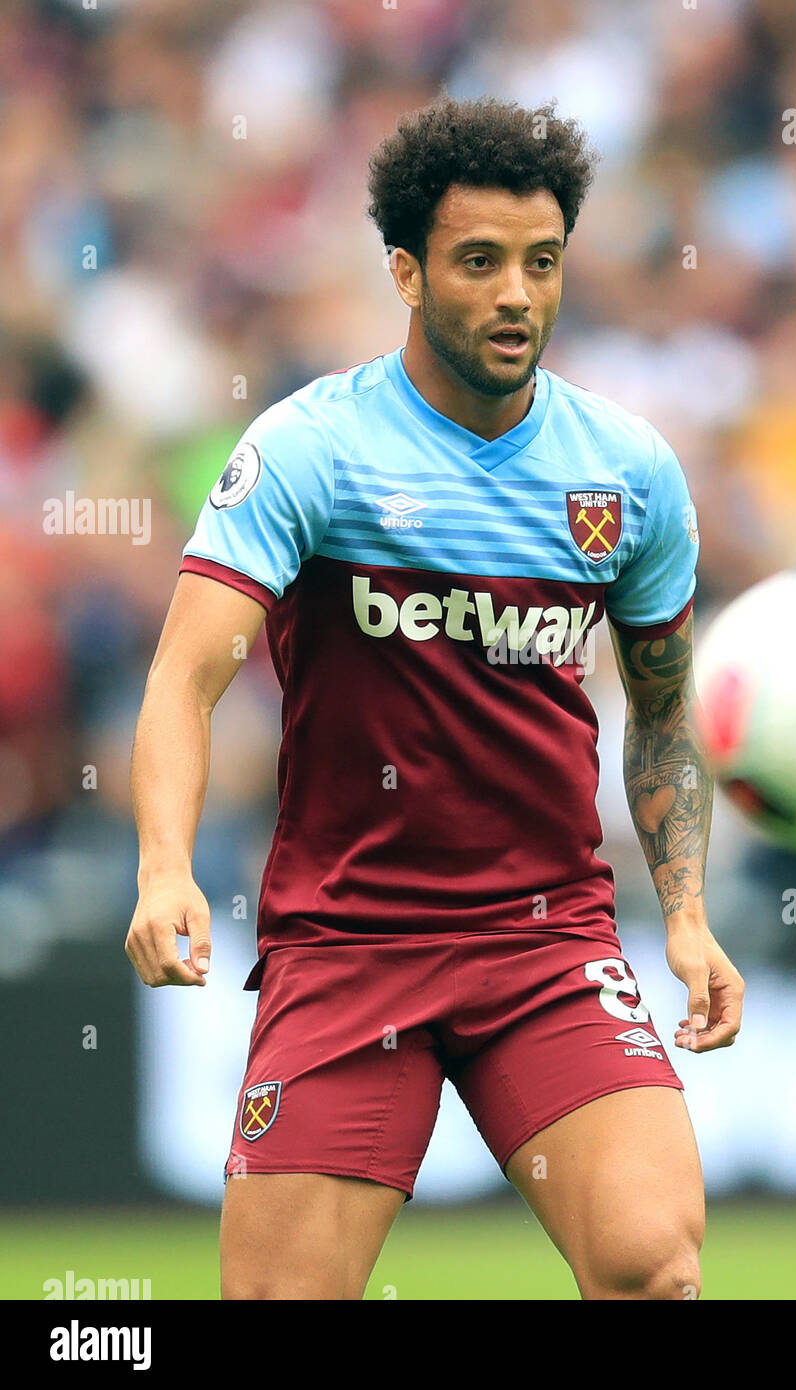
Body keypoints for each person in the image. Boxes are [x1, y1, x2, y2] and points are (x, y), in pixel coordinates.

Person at [125, 97, 744, 1301]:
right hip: (350, 939)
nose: (517, 293)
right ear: (405, 272)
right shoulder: (313, 449)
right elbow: (182, 677)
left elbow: (663, 711)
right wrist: (163, 867)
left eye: (542, 261)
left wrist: (682, 910)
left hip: (546, 938)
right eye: (478, 261)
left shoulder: (627, 472)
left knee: (651, 1268)